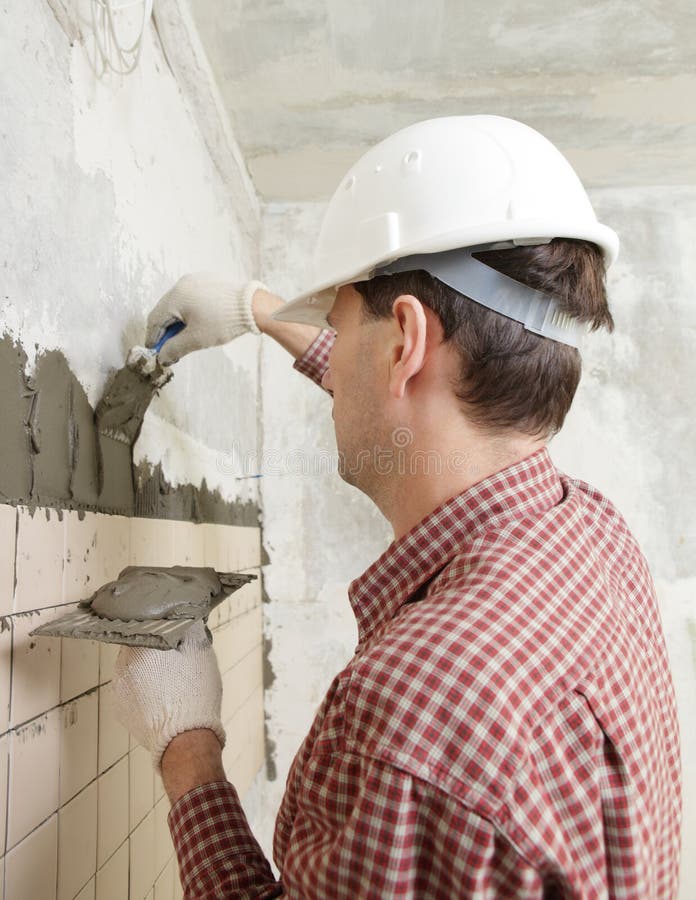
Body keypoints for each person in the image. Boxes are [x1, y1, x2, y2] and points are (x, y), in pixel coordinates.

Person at [111, 116, 682, 898]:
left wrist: (188, 751)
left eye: (339, 328)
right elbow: (410, 411)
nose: (334, 359)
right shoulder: (591, 533)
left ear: (404, 342)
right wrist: (264, 311)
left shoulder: (425, 702)